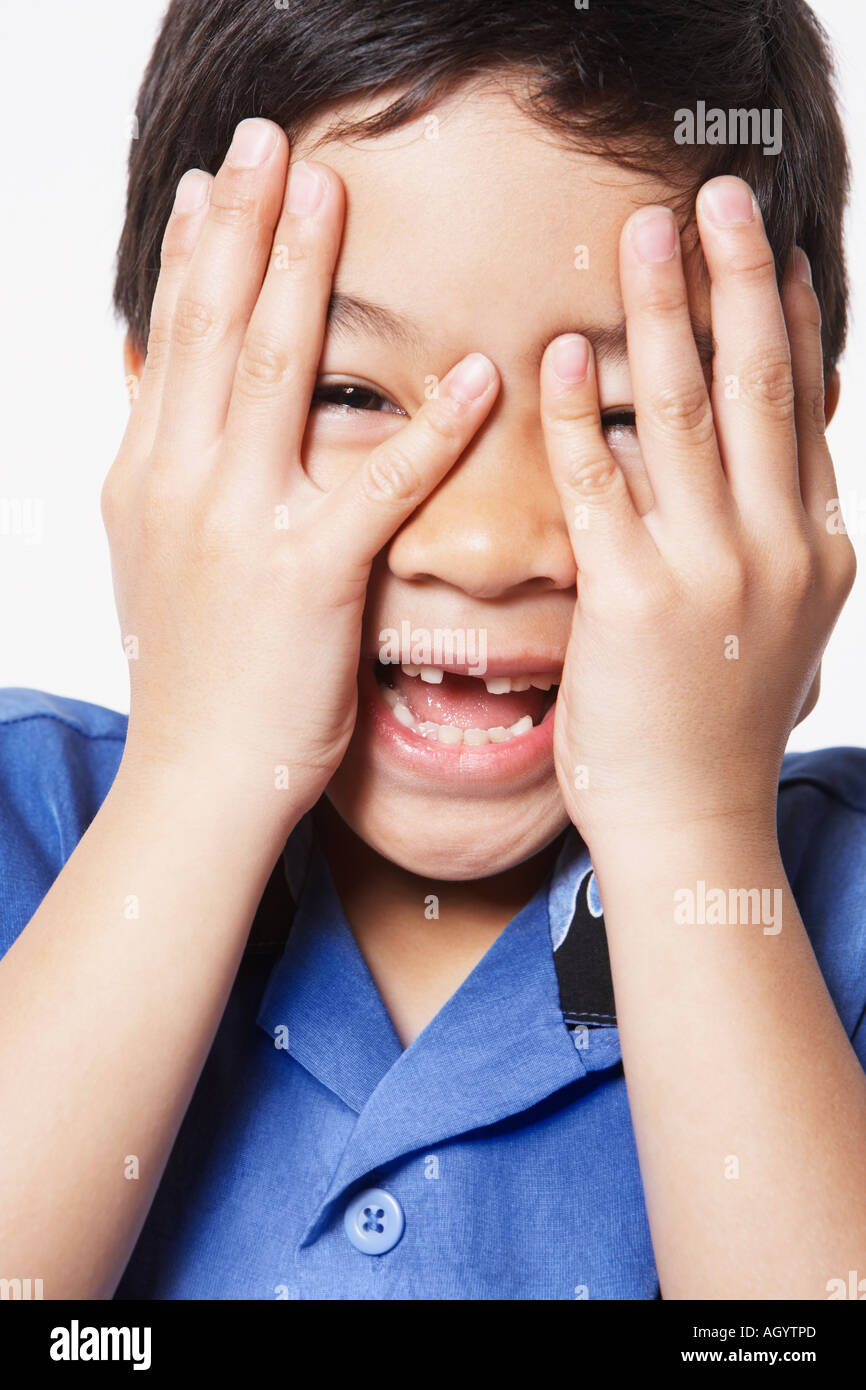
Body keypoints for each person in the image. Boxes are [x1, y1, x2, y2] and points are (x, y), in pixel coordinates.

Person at [1, 0, 864, 1301]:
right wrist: (205, 769)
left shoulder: (833, 909)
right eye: (350, 394)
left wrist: (691, 826)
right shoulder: (29, 827)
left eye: (623, 413)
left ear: (788, 461)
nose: (483, 539)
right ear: (155, 420)